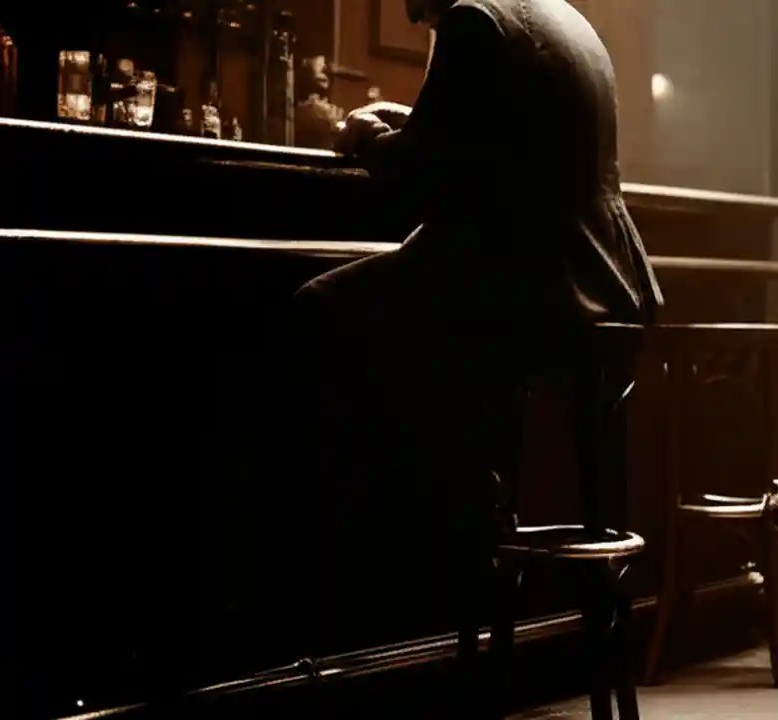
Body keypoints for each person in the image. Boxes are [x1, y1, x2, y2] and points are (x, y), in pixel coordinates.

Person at [262, 0, 662, 657]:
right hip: (602, 283)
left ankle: (363, 575)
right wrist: (406, 127)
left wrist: (364, 135)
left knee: (319, 310)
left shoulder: (474, 21)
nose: (411, 12)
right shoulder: (561, 16)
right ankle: (458, 519)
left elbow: (418, 183)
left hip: (531, 284)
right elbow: (488, 147)